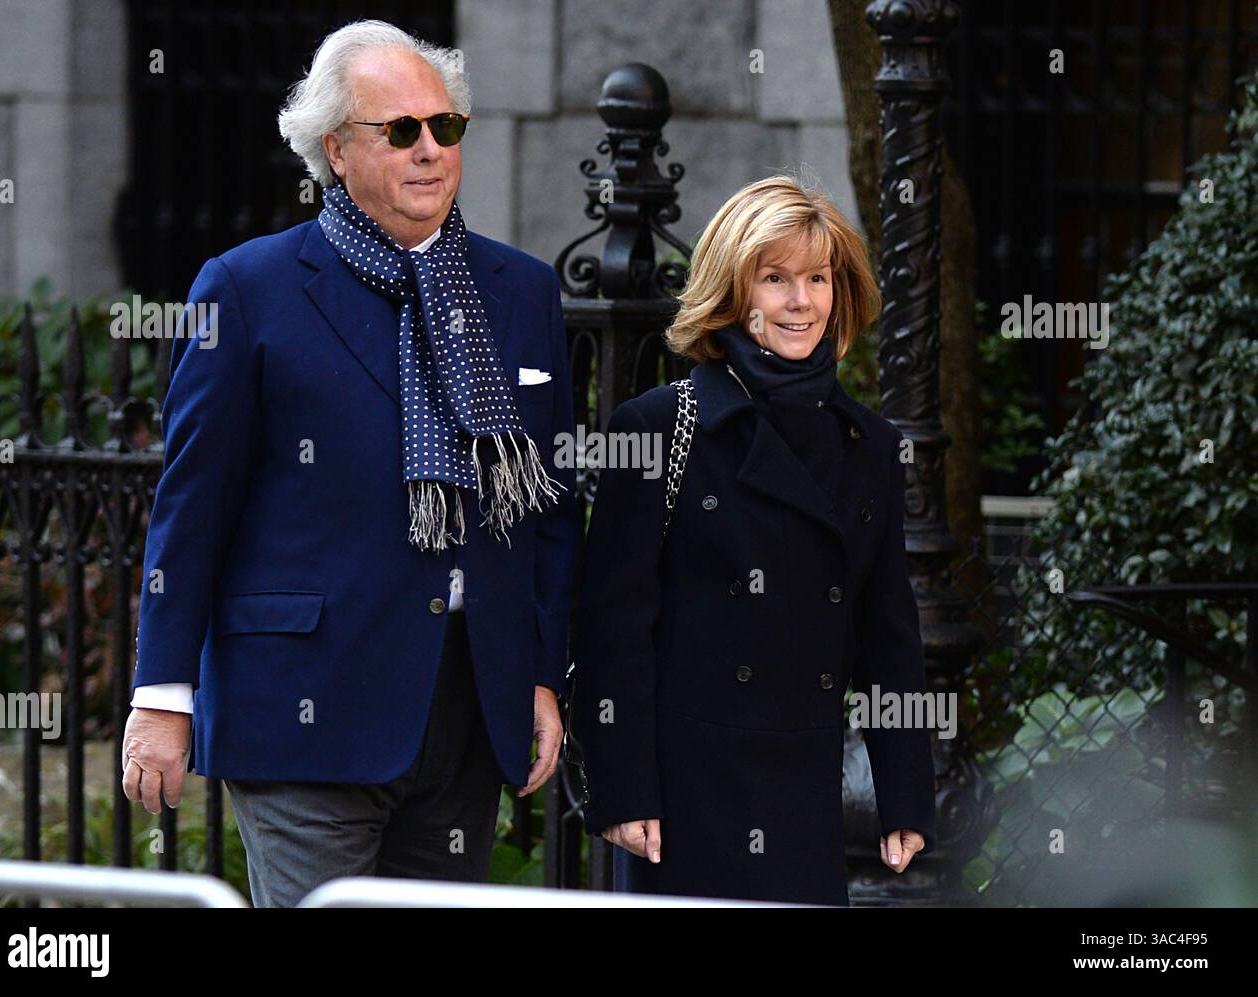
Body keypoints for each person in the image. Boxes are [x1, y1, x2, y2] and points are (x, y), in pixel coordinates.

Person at [121, 19, 579, 907]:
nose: (429, 150)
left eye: (445, 127)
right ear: (336, 148)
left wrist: (540, 674)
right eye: (399, 129)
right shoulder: (247, 289)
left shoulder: (520, 291)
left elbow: (548, 507)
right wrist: (163, 693)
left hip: (465, 710)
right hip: (301, 708)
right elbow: (193, 507)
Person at [574, 175, 937, 905]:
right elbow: (613, 625)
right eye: (775, 279)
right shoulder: (654, 428)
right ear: (734, 292)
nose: (801, 301)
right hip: (682, 794)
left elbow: (888, 631)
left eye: (816, 278)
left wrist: (905, 788)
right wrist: (622, 787)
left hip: (805, 779)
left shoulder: (870, 444)